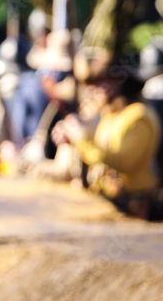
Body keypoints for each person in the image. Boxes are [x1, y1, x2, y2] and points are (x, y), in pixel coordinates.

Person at [54, 61, 161, 218]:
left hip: (133, 206)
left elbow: (123, 161)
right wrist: (74, 141)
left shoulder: (139, 115)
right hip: (109, 200)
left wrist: (82, 139)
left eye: (99, 83)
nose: (93, 90)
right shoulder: (111, 115)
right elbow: (98, 159)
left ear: (118, 82)